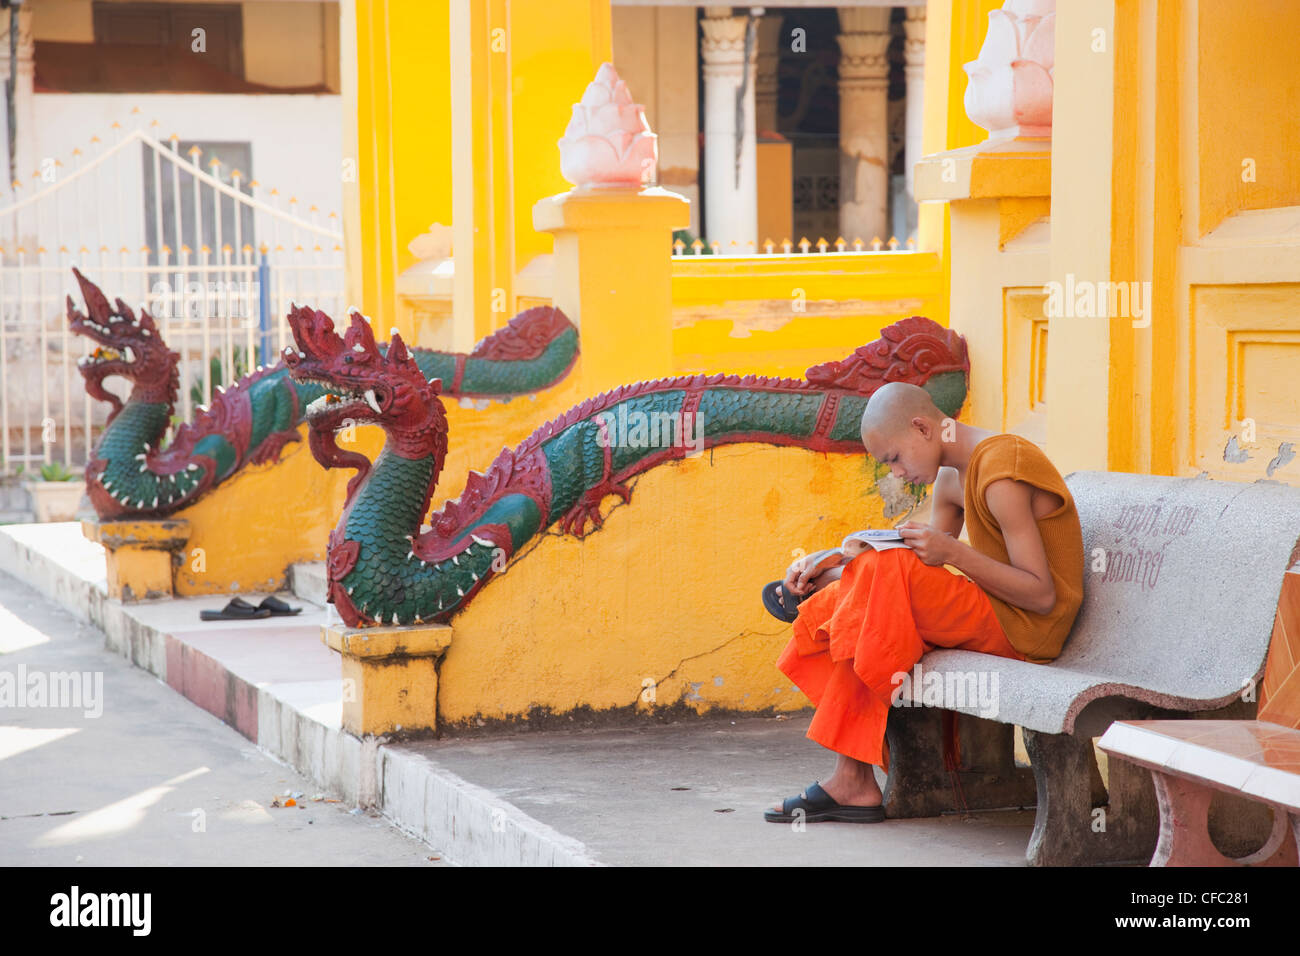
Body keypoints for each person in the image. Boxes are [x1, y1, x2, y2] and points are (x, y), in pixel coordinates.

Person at [764, 381, 1084, 823]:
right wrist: (835, 561)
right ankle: (830, 588)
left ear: (922, 427)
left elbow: (1041, 596)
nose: (896, 473)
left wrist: (952, 551)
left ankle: (852, 777)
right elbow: (923, 567)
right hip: (994, 611)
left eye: (894, 458)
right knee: (879, 592)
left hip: (1027, 629)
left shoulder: (1002, 470)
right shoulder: (953, 475)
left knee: (880, 585)